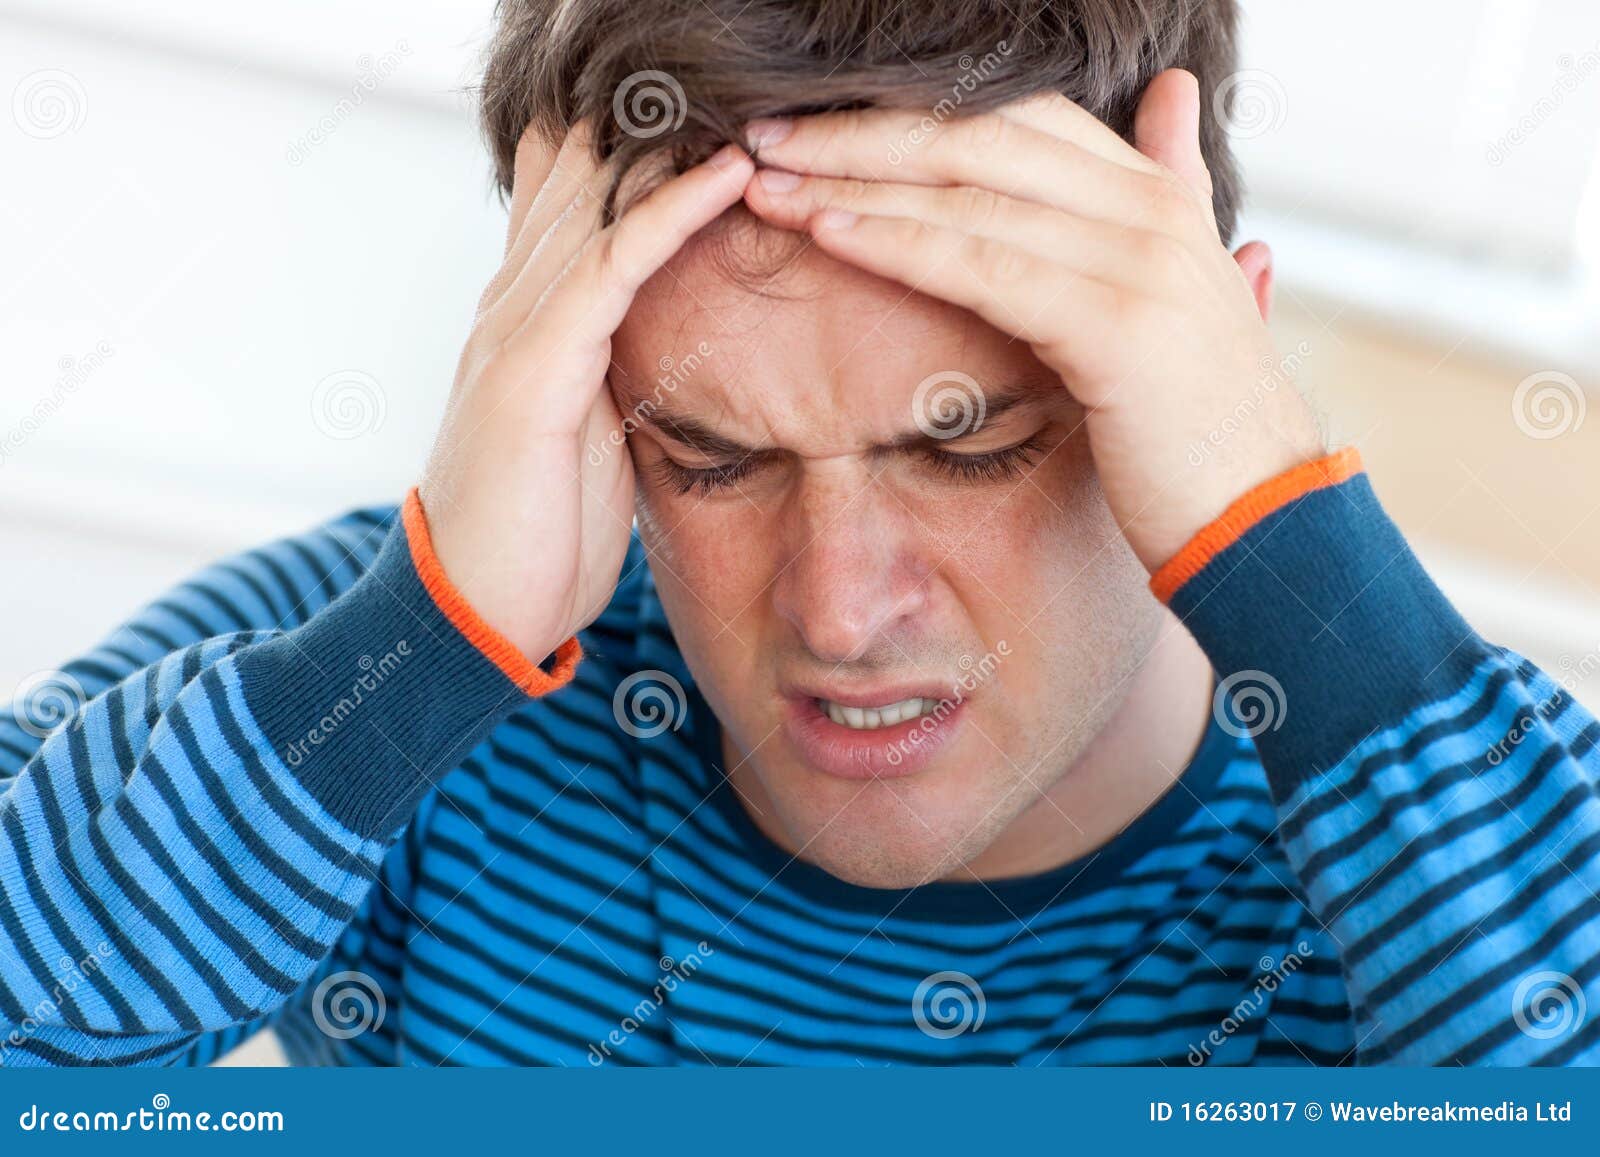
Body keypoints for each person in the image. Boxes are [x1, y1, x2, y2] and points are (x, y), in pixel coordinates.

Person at [3, 0, 1597, 1067]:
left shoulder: (1435, 835)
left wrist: (1297, 567)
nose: (840, 609)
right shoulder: (403, 673)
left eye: (967, 450)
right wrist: (422, 649)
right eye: (707, 456)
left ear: (1205, 383)